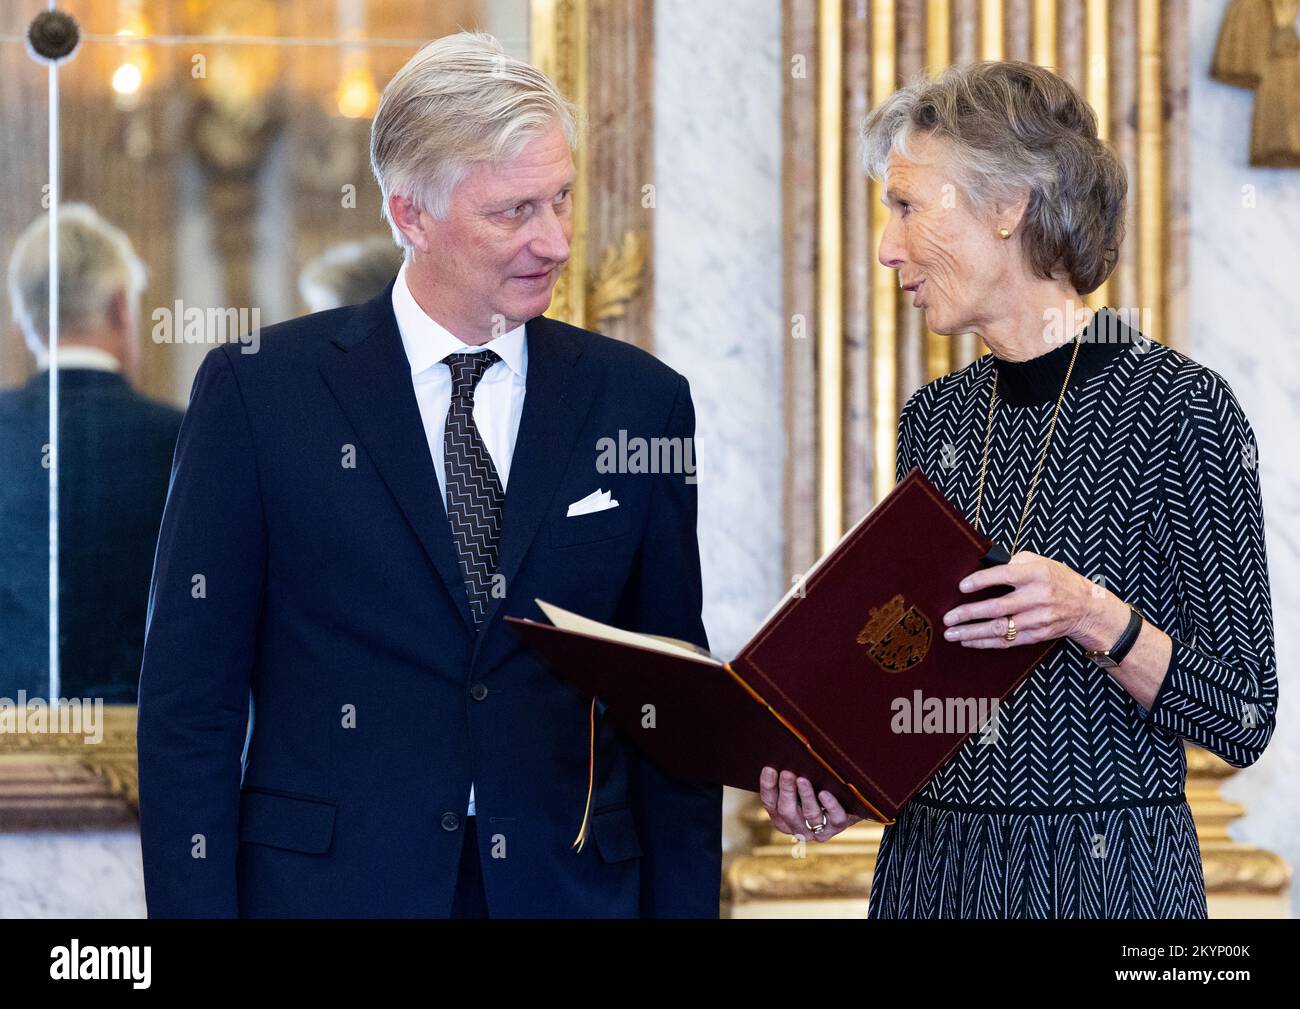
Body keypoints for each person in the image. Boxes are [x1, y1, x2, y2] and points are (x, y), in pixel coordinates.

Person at [136, 32, 720, 918]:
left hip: (568, 893)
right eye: (514, 211)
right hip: (331, 894)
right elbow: (189, 710)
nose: (555, 241)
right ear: (410, 215)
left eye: (561, 199)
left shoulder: (640, 402)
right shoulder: (260, 392)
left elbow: (669, 704)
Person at [761, 60, 1277, 918]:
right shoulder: (935, 418)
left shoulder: (1180, 407)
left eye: (906, 206)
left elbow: (1243, 712)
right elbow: (928, 686)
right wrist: (841, 783)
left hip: (1104, 881)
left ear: (1009, 206)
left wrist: (1089, 613)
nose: (887, 246)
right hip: (929, 875)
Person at [0, 204, 181, 703]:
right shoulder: (183, 437)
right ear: (122, 306)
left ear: (24, 323)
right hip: (142, 749)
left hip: (10, 742)